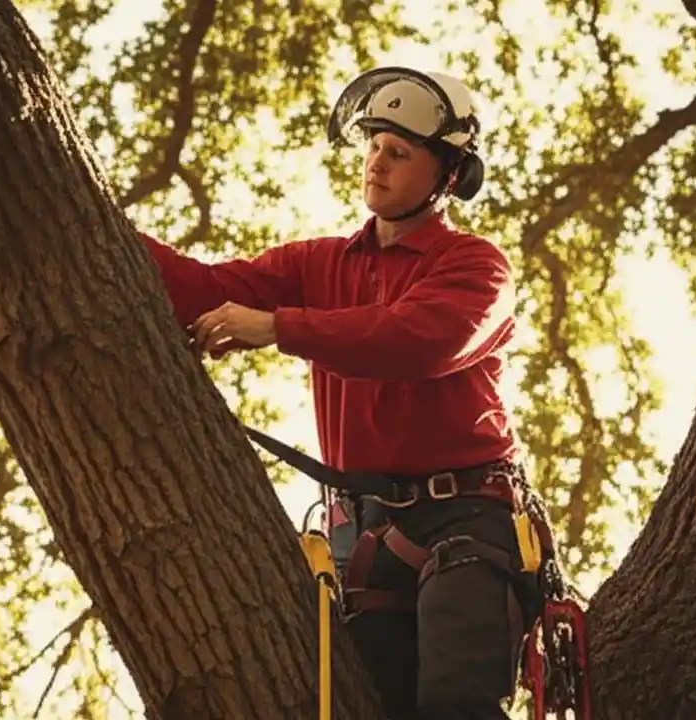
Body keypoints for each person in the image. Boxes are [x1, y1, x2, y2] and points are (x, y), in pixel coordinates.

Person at [138, 66, 551, 720]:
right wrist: (94, 219)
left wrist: (280, 326)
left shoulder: (476, 266)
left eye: (398, 153)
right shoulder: (317, 265)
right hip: (363, 541)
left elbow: (421, 340)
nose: (376, 164)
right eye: (372, 147)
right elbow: (200, 290)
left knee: (455, 705)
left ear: (447, 175)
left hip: (466, 521)